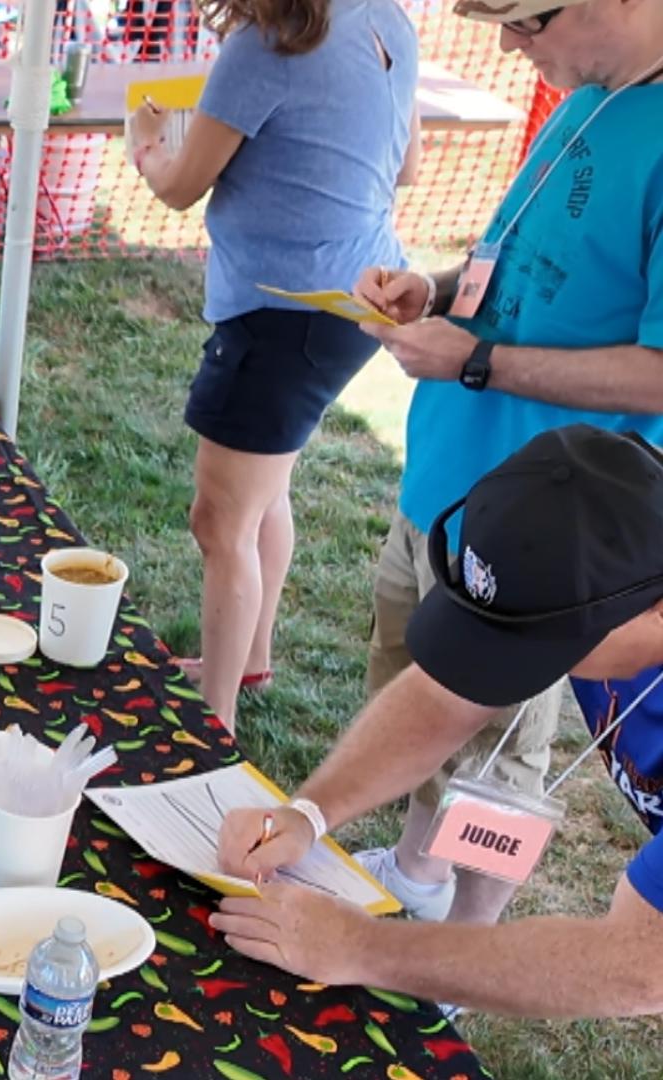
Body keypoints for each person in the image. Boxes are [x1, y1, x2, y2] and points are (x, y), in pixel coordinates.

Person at [342, 0, 663, 926]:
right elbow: (518, 263)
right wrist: (434, 291)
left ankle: (469, 938)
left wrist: (477, 361)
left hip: (543, 533)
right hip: (447, 477)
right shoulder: (591, 92)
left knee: (498, 756)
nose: (507, 45)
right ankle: (415, 870)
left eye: (524, 22)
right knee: (412, 687)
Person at [211, 425, 663, 1019]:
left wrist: (361, 946)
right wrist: (308, 813)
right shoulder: (618, 573)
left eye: (537, 645)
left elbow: (638, 968)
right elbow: (442, 697)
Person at [126, 0, 420, 736]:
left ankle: (214, 719)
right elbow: (408, 167)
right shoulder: (388, 21)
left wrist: (146, 144)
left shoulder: (265, 47)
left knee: (219, 520)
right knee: (264, 492)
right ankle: (249, 660)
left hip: (284, 311)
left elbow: (179, 186)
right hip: (362, 292)